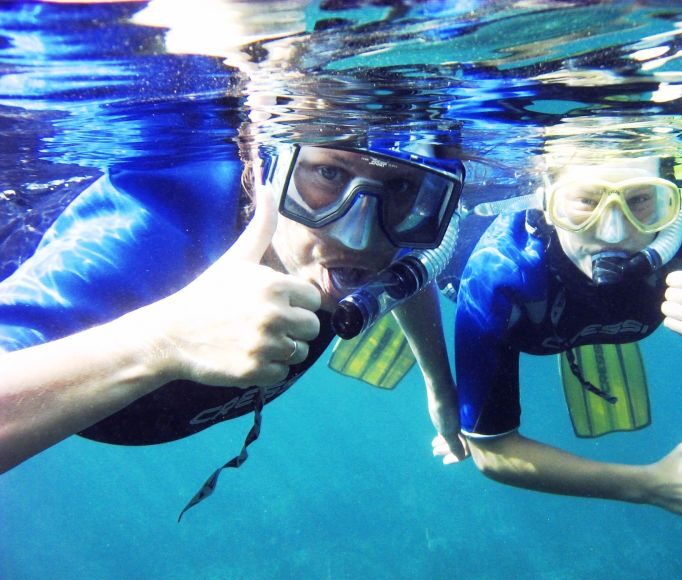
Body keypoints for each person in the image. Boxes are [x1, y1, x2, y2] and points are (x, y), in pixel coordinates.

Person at [0, 139, 467, 505]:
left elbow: (404, 272)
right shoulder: (156, 227)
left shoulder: (377, 237)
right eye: (329, 173)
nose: (359, 237)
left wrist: (440, 387)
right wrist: (165, 341)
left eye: (403, 187)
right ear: (269, 162)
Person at [434, 126, 682, 524]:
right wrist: (648, 485)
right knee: (417, 264)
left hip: (549, 320)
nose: (614, 232)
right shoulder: (500, 270)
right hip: (472, 284)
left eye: (641, 199)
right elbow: (491, 452)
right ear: (545, 203)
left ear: (672, 199)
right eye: (586, 201)